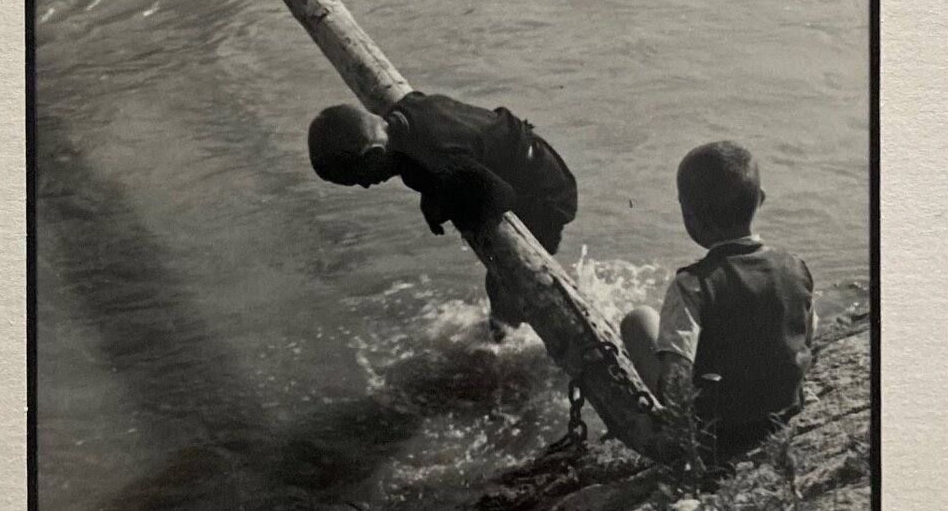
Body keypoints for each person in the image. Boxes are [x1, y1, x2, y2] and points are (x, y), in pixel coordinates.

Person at [307, 92, 578, 338]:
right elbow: (445, 150)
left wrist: (456, 212)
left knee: (511, 285)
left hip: (544, 193)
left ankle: (520, 346)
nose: (366, 185)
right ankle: (505, 341)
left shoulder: (433, 156)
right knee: (498, 287)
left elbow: (499, 195)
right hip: (525, 157)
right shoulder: (405, 114)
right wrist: (435, 194)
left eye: (360, 179)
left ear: (374, 154)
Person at [620, 141, 816, 466]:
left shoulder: (694, 283)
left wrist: (683, 434)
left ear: (689, 218)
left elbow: (677, 376)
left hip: (719, 434)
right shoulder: (794, 266)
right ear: (761, 199)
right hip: (783, 413)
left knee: (638, 319)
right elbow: (805, 337)